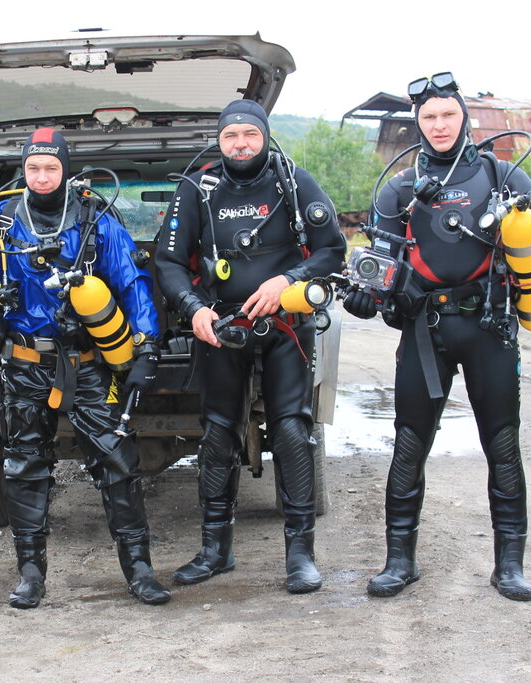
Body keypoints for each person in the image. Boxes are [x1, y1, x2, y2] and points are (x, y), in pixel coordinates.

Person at [343, 73, 531, 601]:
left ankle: (509, 566)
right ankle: (399, 561)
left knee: (502, 448)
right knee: (408, 447)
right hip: (423, 332)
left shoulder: (503, 177)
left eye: (447, 115)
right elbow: (381, 267)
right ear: (419, 123)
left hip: (488, 326)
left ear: (464, 119)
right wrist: (366, 298)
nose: (438, 126)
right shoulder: (398, 188)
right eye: (429, 118)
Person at [0, 127, 171, 608]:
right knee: (25, 467)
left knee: (118, 462)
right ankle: (31, 575)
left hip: (90, 363)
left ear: (66, 170)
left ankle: (140, 571)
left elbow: (132, 284)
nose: (42, 176)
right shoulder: (1, 220)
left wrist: (146, 348)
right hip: (26, 364)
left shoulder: (95, 219)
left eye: (51, 167)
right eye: (33, 168)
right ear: (24, 170)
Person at [155, 100, 346, 593]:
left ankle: (300, 556)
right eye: (231, 136)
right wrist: (195, 308)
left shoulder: (292, 181)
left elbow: (332, 249)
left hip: (285, 325)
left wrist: (288, 279)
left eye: (250, 135)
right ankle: (215, 551)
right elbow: (169, 261)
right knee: (218, 435)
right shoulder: (196, 188)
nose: (240, 143)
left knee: (291, 433)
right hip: (221, 327)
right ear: (219, 141)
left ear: (264, 136)